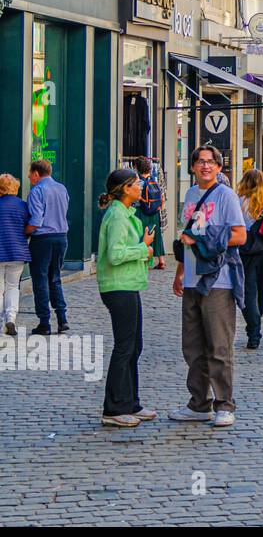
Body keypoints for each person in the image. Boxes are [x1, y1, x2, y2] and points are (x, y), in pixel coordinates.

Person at [170, 146, 247, 429]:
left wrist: (204, 241)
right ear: (192, 167)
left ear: (219, 167)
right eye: (201, 162)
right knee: (192, 346)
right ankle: (198, 404)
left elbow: (239, 236)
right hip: (191, 279)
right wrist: (180, 271)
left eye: (211, 162)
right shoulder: (190, 195)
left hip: (218, 280)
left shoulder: (226, 196)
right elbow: (187, 235)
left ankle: (224, 405)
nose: (205, 166)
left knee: (218, 345)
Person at [96, 168, 156, 428]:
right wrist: (143, 248)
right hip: (118, 286)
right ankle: (113, 407)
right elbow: (115, 254)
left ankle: (131, 402)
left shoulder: (126, 213)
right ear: (123, 189)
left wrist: (144, 246)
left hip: (128, 284)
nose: (141, 186)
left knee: (134, 345)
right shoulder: (118, 215)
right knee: (125, 346)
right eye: (135, 183)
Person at [25, 159, 71, 335]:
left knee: (40, 280)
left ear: (36, 174)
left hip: (42, 239)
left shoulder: (37, 191)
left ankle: (44, 322)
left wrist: (24, 232)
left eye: (30, 174)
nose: (29, 177)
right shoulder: (62, 188)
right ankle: (62, 319)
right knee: (55, 278)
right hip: (61, 237)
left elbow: (36, 221)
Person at [235, 169, 263, 350]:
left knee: (248, 292)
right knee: (260, 291)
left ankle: (254, 331)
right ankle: (255, 325)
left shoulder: (238, 201)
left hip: (244, 251)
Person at [0, 175, 30, 336]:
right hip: (17, 252)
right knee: (12, 286)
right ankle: (10, 319)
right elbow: (29, 226)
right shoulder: (23, 206)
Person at [134, 157, 167, 271]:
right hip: (155, 211)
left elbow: (136, 198)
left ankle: (146, 262)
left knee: (143, 235)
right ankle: (162, 261)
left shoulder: (138, 182)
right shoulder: (155, 179)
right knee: (156, 235)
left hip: (141, 210)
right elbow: (162, 196)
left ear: (137, 168)